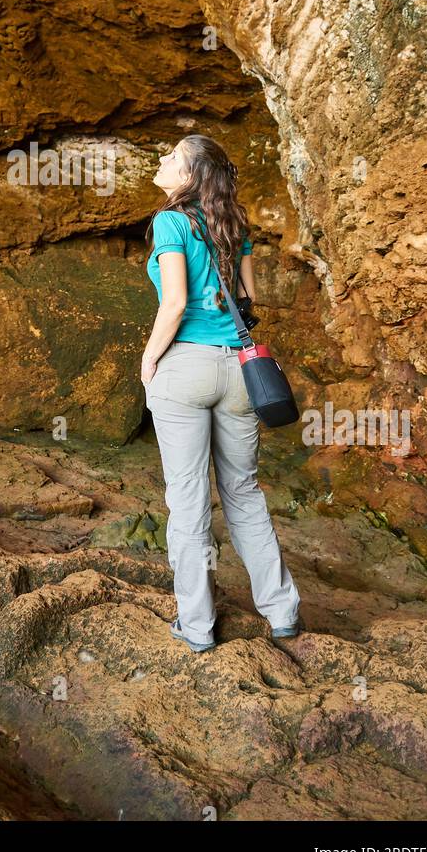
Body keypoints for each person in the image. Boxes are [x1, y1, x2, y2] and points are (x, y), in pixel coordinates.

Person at [142, 133, 301, 653]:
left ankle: (197, 626)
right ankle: (282, 614)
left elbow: (175, 303)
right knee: (244, 493)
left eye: (172, 156)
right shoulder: (235, 225)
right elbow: (249, 299)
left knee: (187, 502)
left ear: (190, 177)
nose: (162, 160)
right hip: (238, 371)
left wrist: (148, 361)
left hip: (185, 366)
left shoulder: (170, 222)